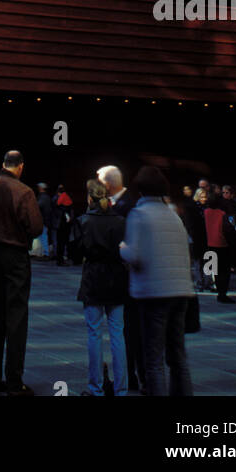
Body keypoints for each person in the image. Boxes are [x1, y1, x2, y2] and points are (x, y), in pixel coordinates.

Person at [120, 166, 194, 397]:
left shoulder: (138, 215)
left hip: (153, 292)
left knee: (153, 359)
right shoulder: (173, 215)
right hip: (180, 290)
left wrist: (122, 248)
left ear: (139, 189)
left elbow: (136, 256)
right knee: (178, 357)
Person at [0, 149, 43, 396]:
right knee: (16, 319)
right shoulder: (24, 192)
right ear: (21, 166)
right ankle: (15, 381)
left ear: (3, 163)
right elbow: (35, 228)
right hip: (15, 256)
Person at [73, 179, 128, 397]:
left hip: (93, 279)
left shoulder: (83, 221)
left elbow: (76, 253)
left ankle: (95, 387)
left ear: (89, 198)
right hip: (116, 278)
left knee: (94, 334)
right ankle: (121, 388)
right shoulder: (120, 221)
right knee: (118, 334)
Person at [97, 164, 144, 391]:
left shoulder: (129, 205)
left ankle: (137, 376)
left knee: (132, 328)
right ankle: (130, 376)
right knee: (126, 328)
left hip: (129, 274)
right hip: (119, 275)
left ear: (108, 183)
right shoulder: (119, 203)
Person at [203, 192, 235, 303]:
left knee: (214, 270)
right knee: (224, 271)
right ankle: (223, 293)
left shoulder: (205, 213)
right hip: (222, 245)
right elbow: (228, 230)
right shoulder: (222, 214)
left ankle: (216, 289)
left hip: (209, 245)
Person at [34, 184, 51, 258]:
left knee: (43, 236)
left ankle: (45, 253)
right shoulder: (46, 197)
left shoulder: (43, 197)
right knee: (42, 236)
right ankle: (42, 252)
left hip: (43, 220)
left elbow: (38, 205)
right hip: (45, 219)